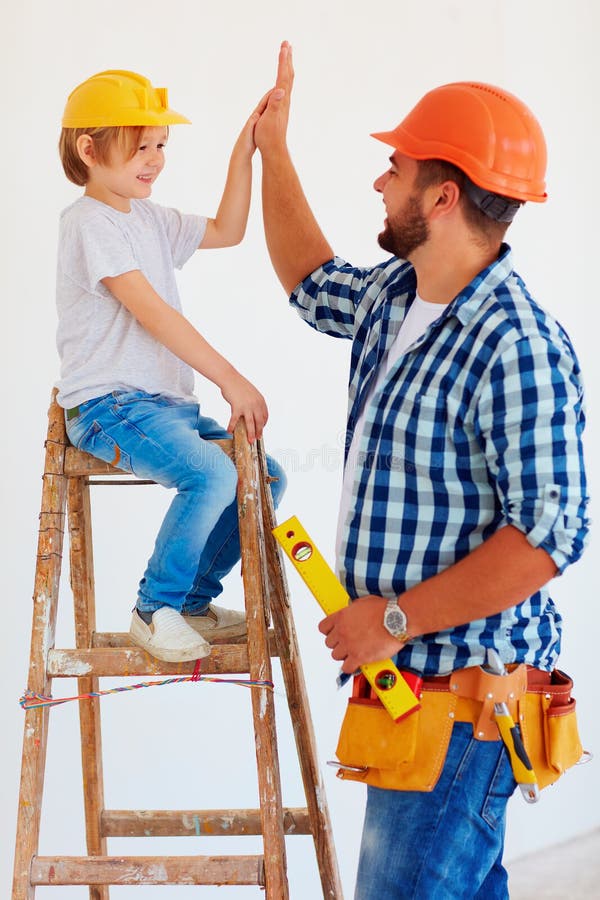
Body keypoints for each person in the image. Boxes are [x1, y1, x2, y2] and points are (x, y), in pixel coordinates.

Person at [255, 44, 589, 899]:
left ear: (442, 196)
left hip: (461, 708)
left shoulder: (517, 345)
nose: (380, 183)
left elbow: (550, 538)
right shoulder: (393, 298)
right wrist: (274, 150)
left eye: (394, 168)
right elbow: (307, 278)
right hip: (411, 691)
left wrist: (392, 621)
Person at [56, 69, 286, 663]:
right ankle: (153, 608)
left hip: (166, 408)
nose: (156, 159)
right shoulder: (89, 223)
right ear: (89, 148)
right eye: (141, 147)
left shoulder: (148, 217)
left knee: (267, 477)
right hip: (109, 406)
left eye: (162, 145)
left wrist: (248, 147)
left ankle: (191, 604)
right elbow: (153, 314)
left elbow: (229, 230)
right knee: (210, 474)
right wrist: (230, 378)